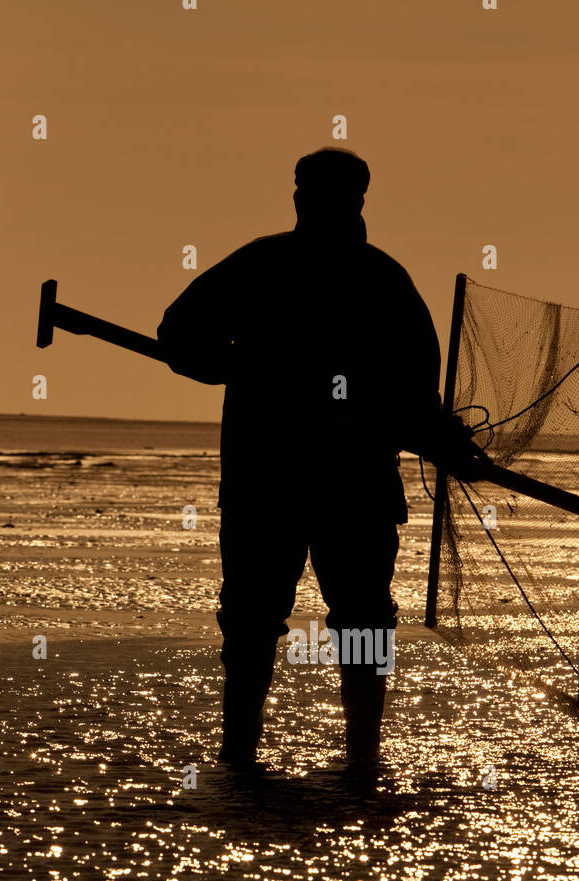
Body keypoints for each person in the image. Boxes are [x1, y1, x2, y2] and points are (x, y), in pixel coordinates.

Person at [157, 147, 445, 772]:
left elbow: (419, 392)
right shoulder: (375, 278)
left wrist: (233, 364)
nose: (306, 202)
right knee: (282, 624)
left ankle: (281, 763)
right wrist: (232, 363)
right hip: (311, 487)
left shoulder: (284, 267)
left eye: (314, 193)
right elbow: (178, 335)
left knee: (292, 624)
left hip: (304, 486)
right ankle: (332, 763)